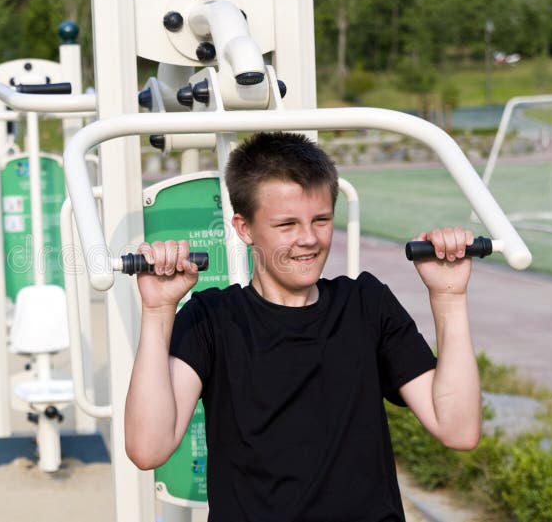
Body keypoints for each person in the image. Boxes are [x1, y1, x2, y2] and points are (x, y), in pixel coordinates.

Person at [124, 132, 481, 521]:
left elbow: (458, 430)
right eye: (287, 224)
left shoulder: (366, 304)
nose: (308, 239)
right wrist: (159, 310)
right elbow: (148, 449)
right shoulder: (212, 318)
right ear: (244, 228)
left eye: (321, 220)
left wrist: (449, 298)